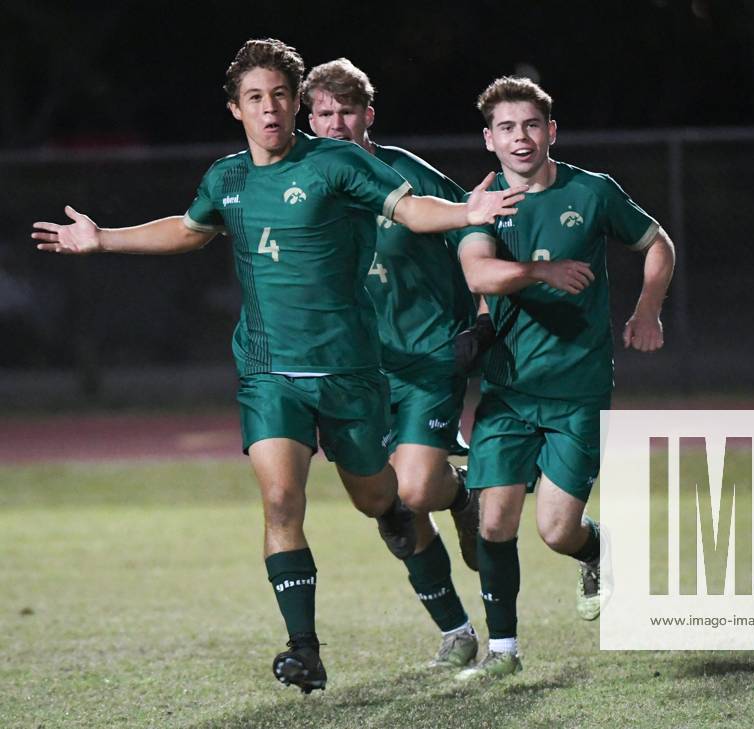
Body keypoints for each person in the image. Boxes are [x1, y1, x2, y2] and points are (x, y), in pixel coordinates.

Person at [31, 38, 525, 694]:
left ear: (295, 104)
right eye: (256, 98)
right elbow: (191, 228)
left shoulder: (336, 163)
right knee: (280, 499)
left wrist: (467, 211)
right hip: (268, 371)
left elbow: (408, 208)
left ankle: (451, 555)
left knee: (384, 500)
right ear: (236, 108)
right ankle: (304, 649)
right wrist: (104, 239)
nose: (269, 109)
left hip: (350, 371)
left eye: (280, 96)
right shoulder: (227, 179)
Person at [451, 77, 676, 679]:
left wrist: (647, 308)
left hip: (578, 389)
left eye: (530, 125)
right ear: (489, 139)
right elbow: (478, 275)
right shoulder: (485, 204)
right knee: (493, 521)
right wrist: (538, 273)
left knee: (555, 530)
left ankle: (596, 549)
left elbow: (658, 243)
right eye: (506, 127)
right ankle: (504, 652)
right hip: (507, 389)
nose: (520, 137)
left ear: (550, 131)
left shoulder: (592, 190)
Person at [301, 57, 481, 669]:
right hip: (354, 371)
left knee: (417, 487)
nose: (335, 123)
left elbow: (474, 232)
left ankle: (460, 496)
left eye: (347, 110)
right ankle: (457, 632)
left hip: (428, 357)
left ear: (368, 115)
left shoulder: (407, 174)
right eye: (323, 112)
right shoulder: (303, 184)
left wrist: (483, 318)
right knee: (388, 509)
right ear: (309, 120)